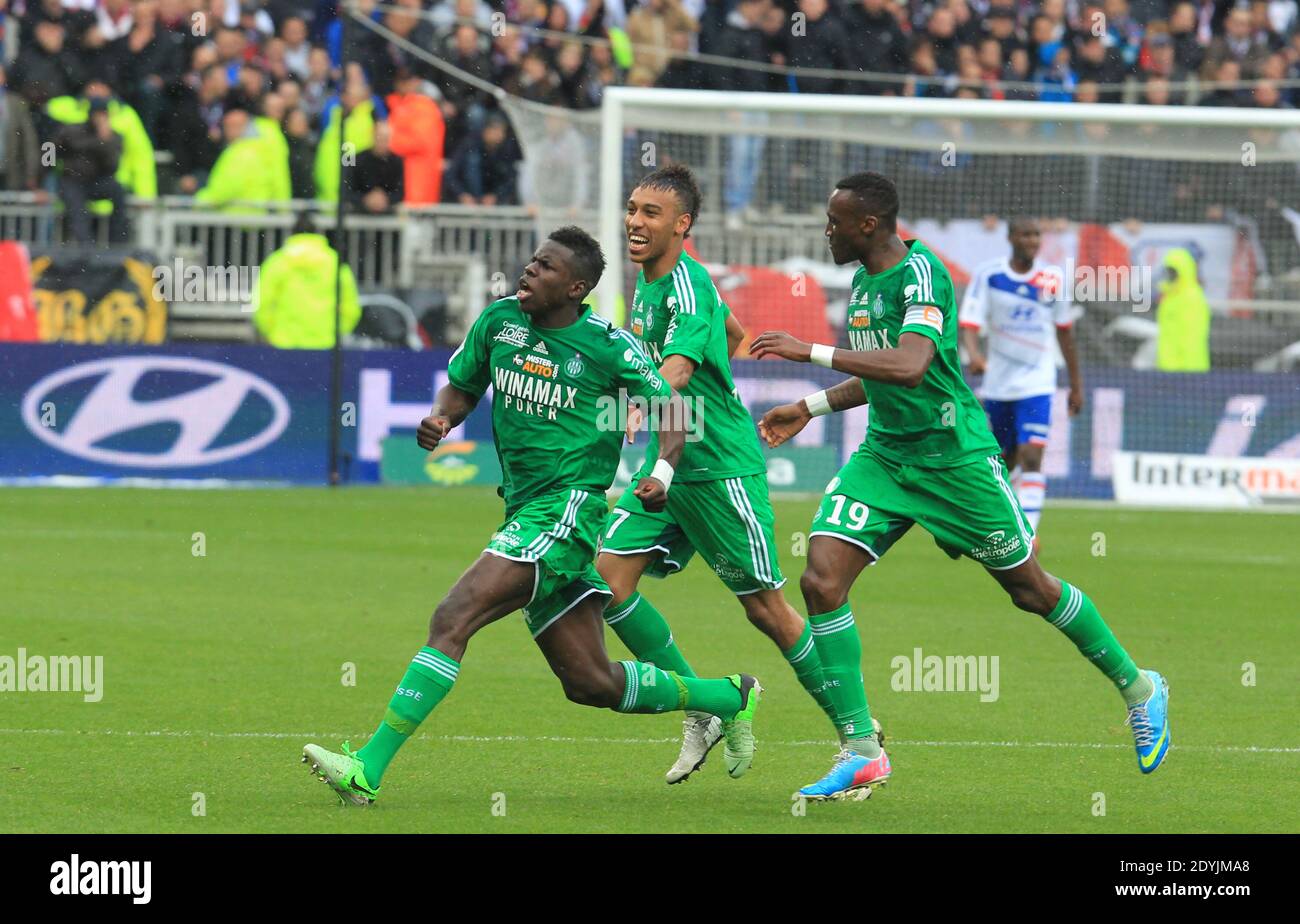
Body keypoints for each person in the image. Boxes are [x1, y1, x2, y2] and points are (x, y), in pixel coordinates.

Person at [302, 227, 763, 805]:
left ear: (575, 287)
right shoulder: (499, 323)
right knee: (590, 683)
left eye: (544, 268)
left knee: (453, 617)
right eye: (530, 263)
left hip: (568, 509)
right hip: (524, 508)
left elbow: (672, 406)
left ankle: (366, 768)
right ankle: (727, 697)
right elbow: (462, 387)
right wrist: (443, 419)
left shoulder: (607, 346)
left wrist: (664, 471)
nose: (528, 272)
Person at [751, 172, 1171, 800]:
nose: (827, 231)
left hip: (955, 462)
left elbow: (913, 366)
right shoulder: (865, 281)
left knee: (1030, 589)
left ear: (868, 224)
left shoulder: (922, 273)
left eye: (835, 222)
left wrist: (807, 351)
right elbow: (881, 376)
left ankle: (1140, 687)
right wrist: (810, 407)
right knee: (820, 579)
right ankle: (862, 749)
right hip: (887, 459)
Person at [596, 164, 851, 784]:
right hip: (671, 467)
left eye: (650, 213)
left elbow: (678, 371)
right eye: (632, 208)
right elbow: (731, 332)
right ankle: (707, 706)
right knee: (606, 581)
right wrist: (724, 340)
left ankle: (857, 733)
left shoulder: (683, 288)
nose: (634, 220)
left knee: (767, 610)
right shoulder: (661, 284)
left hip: (719, 471)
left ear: (682, 225)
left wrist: (640, 396)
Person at [959, 218, 1083, 543]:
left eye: (1036, 235)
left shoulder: (1053, 279)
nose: (1032, 240)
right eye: (1026, 234)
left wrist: (1076, 385)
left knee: (1032, 456)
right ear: (1011, 237)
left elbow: (1065, 333)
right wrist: (973, 354)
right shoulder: (989, 275)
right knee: (1002, 462)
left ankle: (1027, 535)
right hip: (999, 383)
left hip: (1039, 383)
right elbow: (969, 323)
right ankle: (983, 522)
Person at [252, 213, 359, 348]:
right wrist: (337, 331)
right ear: (317, 233)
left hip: (285, 342)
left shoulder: (277, 261)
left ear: (292, 234)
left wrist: (272, 332)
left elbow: (261, 303)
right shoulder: (334, 262)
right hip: (325, 342)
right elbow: (350, 307)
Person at [54, 98, 131, 244]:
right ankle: (86, 248)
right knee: (78, 211)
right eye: (98, 114)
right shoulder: (71, 130)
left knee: (118, 190)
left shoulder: (113, 137)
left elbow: (112, 167)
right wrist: (49, 174)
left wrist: (105, 142)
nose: (101, 118)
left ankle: (117, 244)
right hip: (72, 180)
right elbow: (48, 147)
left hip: (96, 181)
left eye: (104, 114)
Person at [1155, 247, 1211, 371]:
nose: (1170, 275)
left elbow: (1193, 336)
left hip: (1189, 368)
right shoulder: (1169, 295)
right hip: (1167, 366)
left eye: (1173, 271)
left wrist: (1188, 369)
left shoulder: (1192, 296)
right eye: (1169, 271)